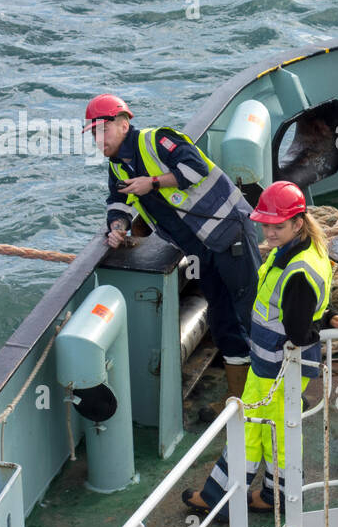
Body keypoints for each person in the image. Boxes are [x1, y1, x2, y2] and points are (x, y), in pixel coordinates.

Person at [182, 180, 338, 517]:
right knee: (273, 434)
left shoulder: (298, 268)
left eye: (276, 226)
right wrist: (329, 315)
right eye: (265, 224)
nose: (268, 233)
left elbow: (300, 330)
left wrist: (319, 324)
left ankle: (225, 499)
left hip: (277, 368)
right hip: (274, 365)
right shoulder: (305, 250)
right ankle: (276, 495)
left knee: (258, 431)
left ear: (297, 224)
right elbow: (311, 305)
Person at [85, 93, 261, 403]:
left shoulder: (158, 141)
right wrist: (116, 228)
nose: (99, 140)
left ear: (124, 124)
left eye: (103, 129)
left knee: (252, 312)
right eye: (94, 134)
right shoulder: (117, 167)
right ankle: (239, 398)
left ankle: (281, 392)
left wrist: (151, 182)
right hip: (199, 251)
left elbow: (196, 169)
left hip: (229, 233)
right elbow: (118, 202)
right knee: (223, 321)